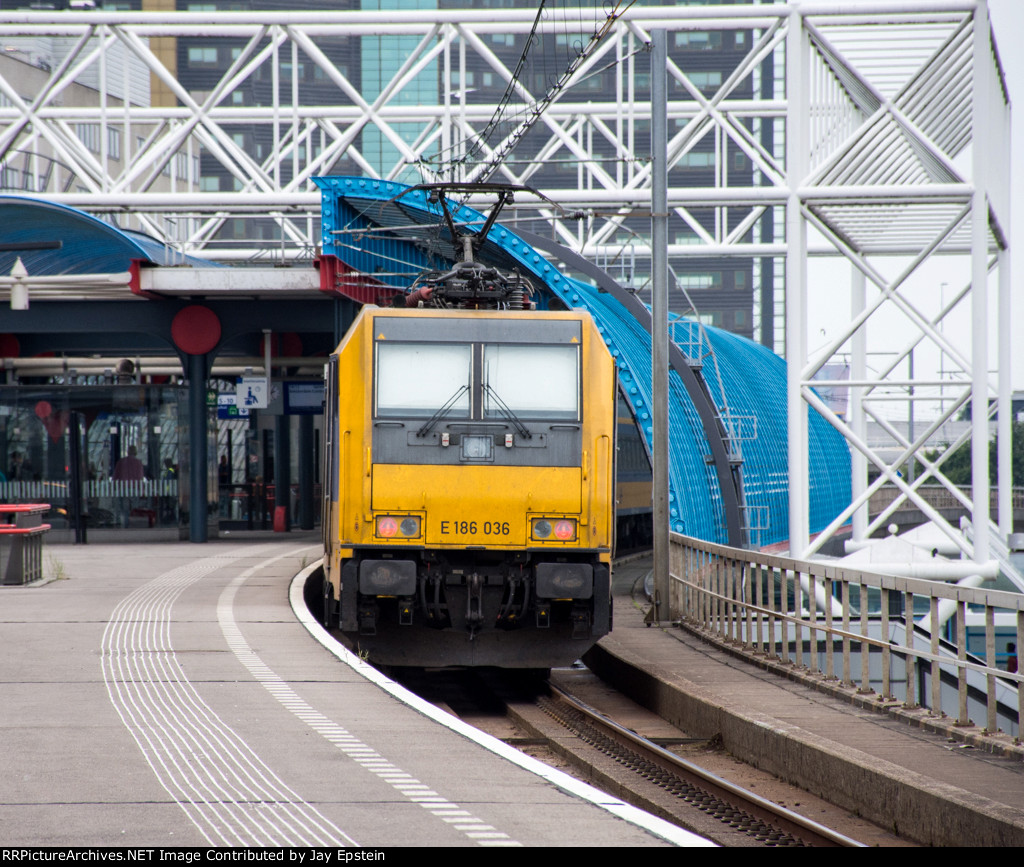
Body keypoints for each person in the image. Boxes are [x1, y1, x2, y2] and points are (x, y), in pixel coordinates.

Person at [112, 445, 145, 527]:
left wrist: (115, 488)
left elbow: (115, 477)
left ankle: (125, 524)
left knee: (125, 508)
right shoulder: (138, 463)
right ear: (136, 452)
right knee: (134, 508)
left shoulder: (121, 462)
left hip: (123, 488)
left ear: (128, 452)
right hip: (135, 488)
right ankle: (134, 524)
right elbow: (140, 477)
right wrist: (142, 490)